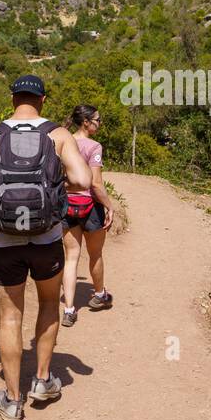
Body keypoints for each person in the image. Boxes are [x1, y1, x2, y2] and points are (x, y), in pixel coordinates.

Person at [0, 75, 92, 420]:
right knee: (47, 303)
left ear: (13, 99)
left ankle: (12, 400)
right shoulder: (57, 135)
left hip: (4, 240)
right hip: (47, 238)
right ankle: (43, 380)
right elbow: (83, 181)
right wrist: (50, 182)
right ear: (42, 100)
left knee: (10, 317)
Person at [60, 105, 119, 327]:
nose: (100, 123)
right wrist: (109, 206)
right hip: (91, 207)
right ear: (86, 122)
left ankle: (68, 309)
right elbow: (95, 184)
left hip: (67, 204)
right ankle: (99, 294)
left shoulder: (64, 142)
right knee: (95, 254)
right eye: (98, 120)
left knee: (71, 258)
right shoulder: (94, 146)